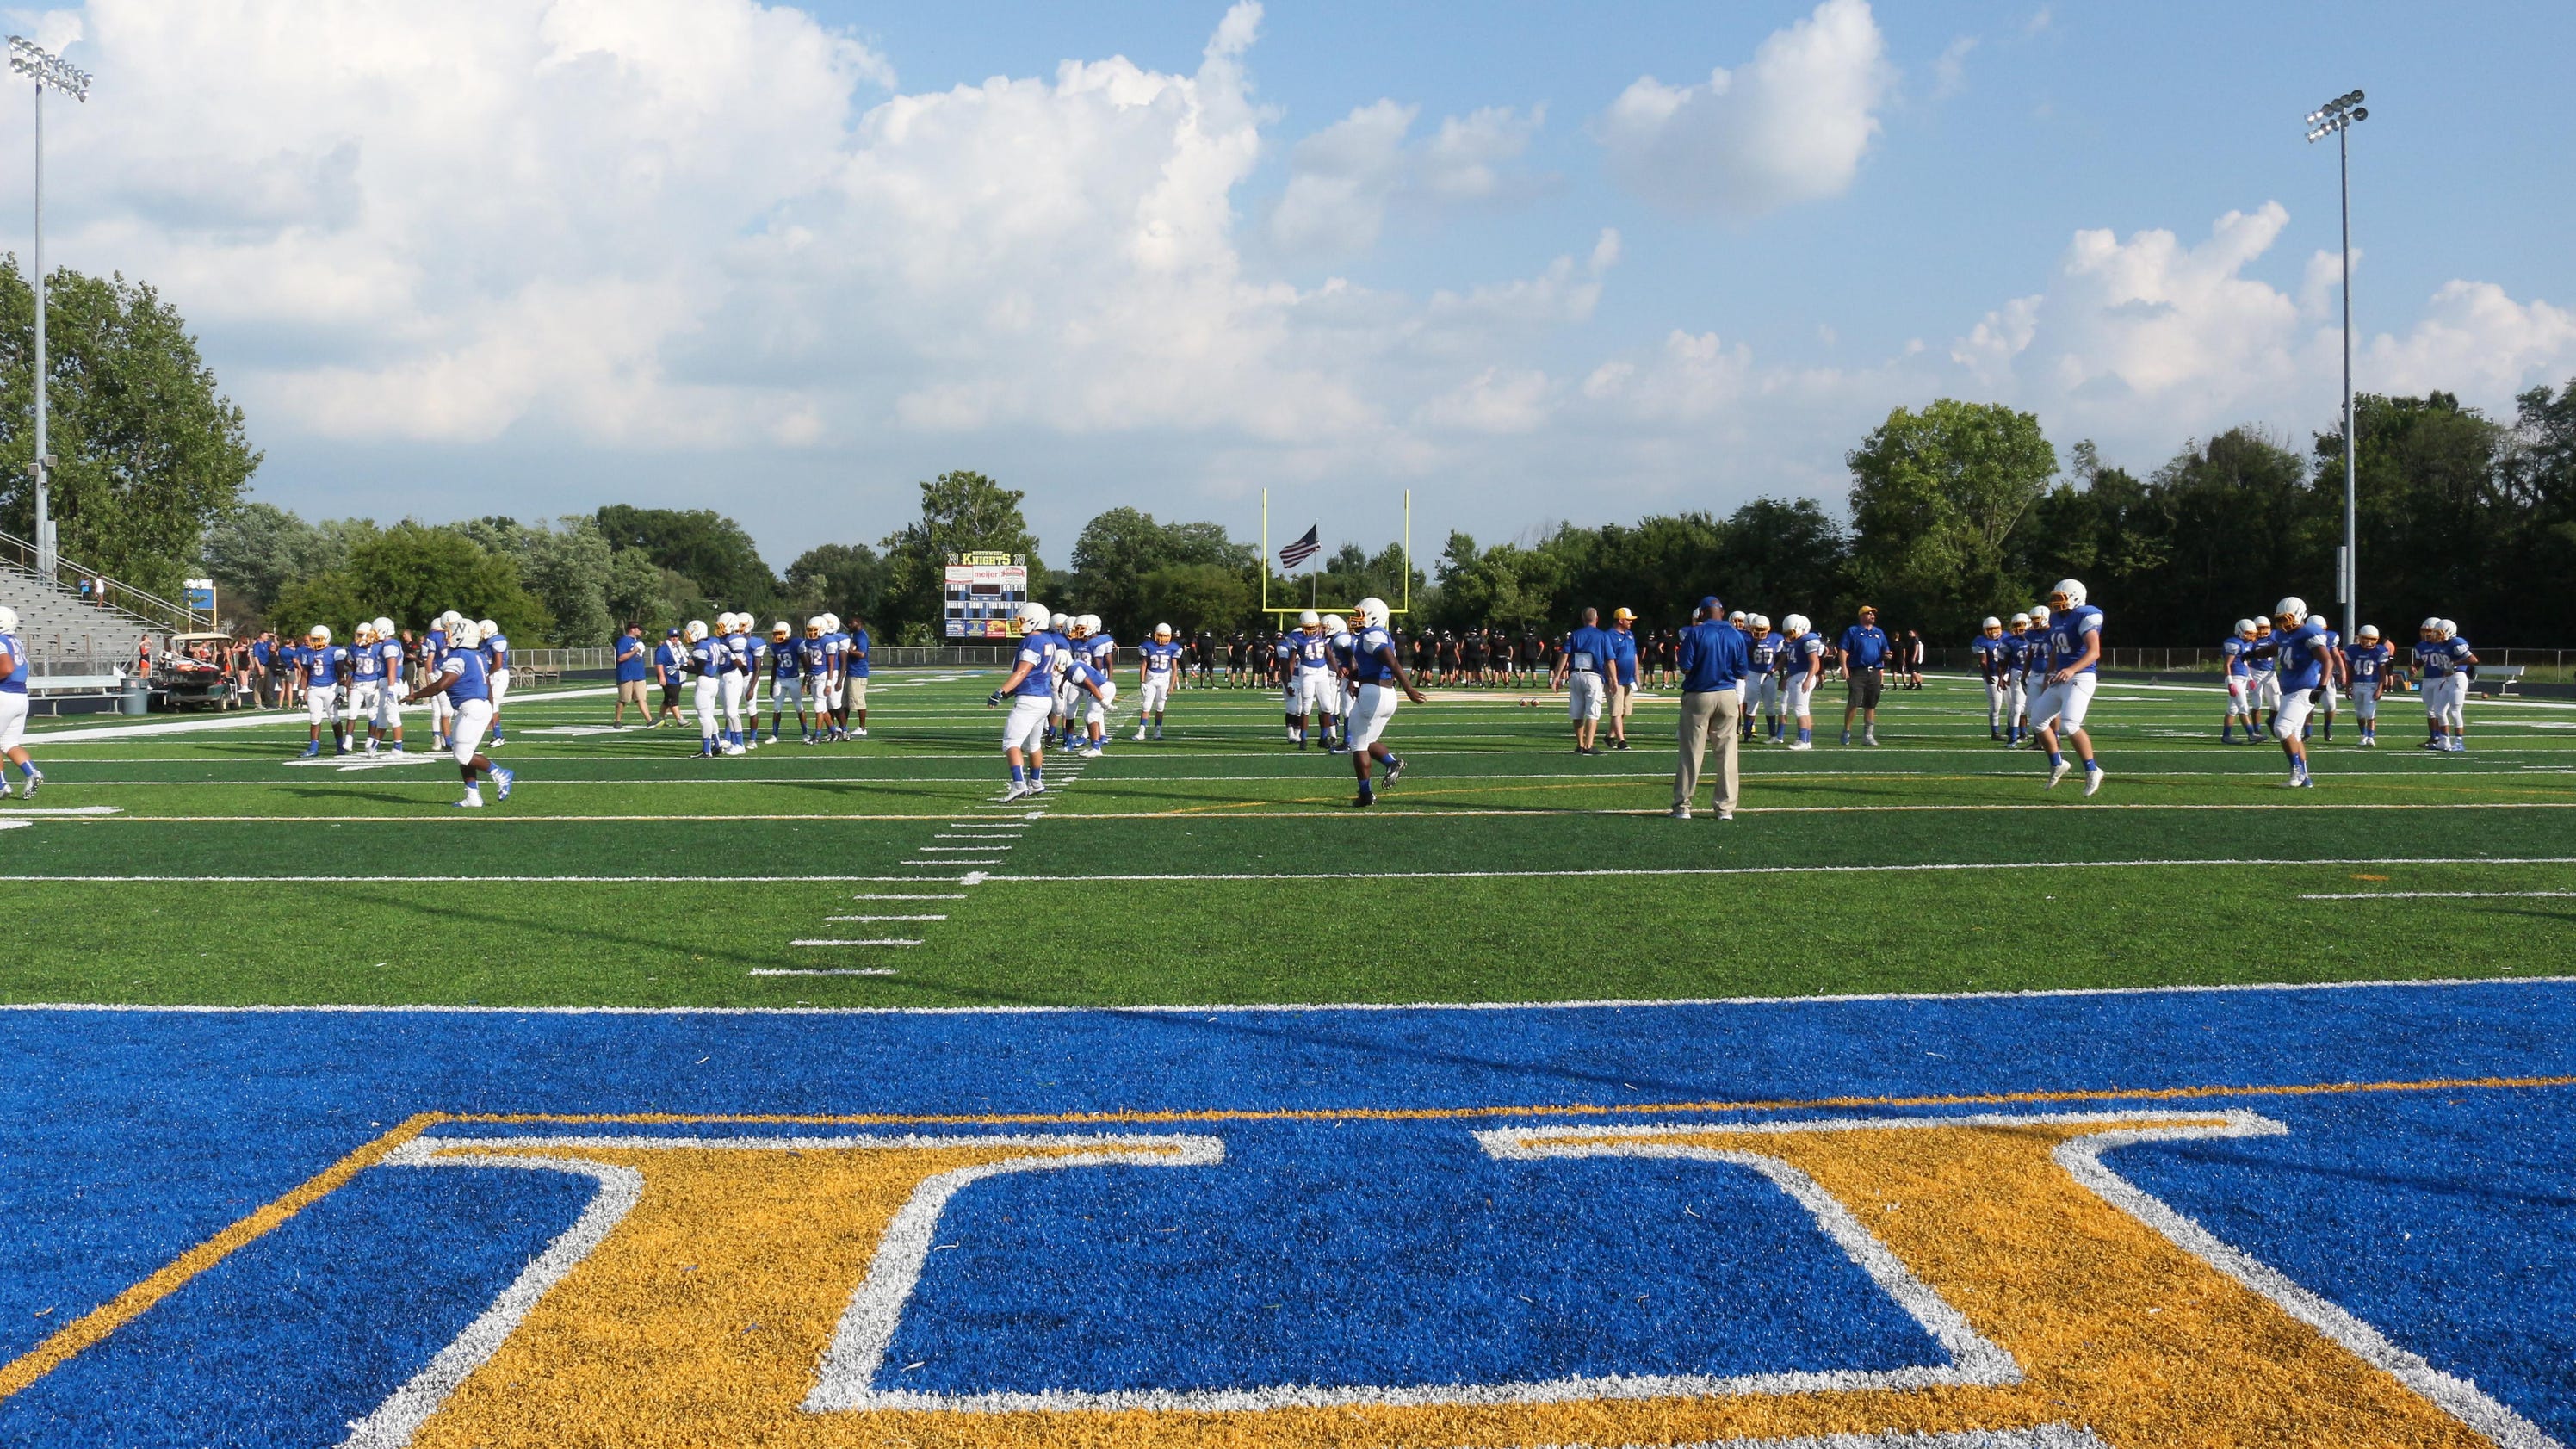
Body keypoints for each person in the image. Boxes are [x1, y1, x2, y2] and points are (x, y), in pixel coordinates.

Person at [416, 619, 513, 808]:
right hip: (479, 705)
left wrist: (416, 695)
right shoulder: (477, 655)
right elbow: (488, 685)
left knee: (462, 755)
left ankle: (500, 773)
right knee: (464, 753)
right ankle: (473, 797)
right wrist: (491, 708)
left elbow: (443, 684)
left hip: (472, 707)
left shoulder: (459, 656)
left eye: (451, 633)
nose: (447, 637)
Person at [1341, 598, 1426, 808]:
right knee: (1367, 741)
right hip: (1386, 693)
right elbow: (1378, 666)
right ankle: (1392, 763)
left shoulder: (1372, 635)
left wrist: (1410, 689)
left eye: (1360, 614)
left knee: (1358, 745)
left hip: (1374, 693)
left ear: (1372, 616)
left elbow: (1391, 661)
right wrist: (1353, 675)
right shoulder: (1376, 635)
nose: (1355, 619)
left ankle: (1365, 794)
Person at [1672, 597, 1750, 820]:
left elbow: (1685, 667)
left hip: (1700, 694)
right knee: (1727, 754)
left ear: (1703, 613)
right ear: (1722, 612)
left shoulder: (1695, 633)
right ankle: (1725, 809)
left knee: (1691, 753)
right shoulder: (1736, 635)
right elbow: (1743, 672)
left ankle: (1682, 806)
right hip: (1727, 695)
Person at [2029, 579, 2105, 796]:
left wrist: (2071, 669)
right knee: (2037, 719)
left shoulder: (2086, 614)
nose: (2055, 603)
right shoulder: (2055, 618)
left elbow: (2094, 651)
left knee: (2070, 724)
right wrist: (2049, 675)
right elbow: (2054, 650)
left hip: (2081, 676)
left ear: (2074, 597)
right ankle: (2057, 763)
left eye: (2059, 598)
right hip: (2061, 677)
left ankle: (2092, 770)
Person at [986, 601, 1064, 801]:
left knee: (1011, 743)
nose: (1018, 624)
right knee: (1033, 745)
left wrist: (1001, 691)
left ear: (1033, 620)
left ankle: (1019, 785)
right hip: (1043, 698)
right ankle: (1036, 783)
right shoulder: (1048, 639)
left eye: (1021, 620)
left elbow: (1023, 670)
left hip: (1030, 699)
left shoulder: (1033, 641)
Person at [2261, 597, 2332, 788]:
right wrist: (2253, 654)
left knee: (2281, 728)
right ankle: (2305, 777)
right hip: (2290, 689)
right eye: (2280, 618)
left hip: (2304, 689)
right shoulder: (2285, 635)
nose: (2283, 622)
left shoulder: (2308, 633)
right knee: (2294, 733)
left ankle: (2297, 773)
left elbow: (2327, 660)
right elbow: (2277, 648)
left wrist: (2322, 686)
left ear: (2299, 615)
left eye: (2286, 618)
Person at [1552, 607, 1613, 755]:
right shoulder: (1602, 636)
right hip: (1593, 676)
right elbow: (1610, 660)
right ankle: (1588, 745)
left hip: (1575, 675)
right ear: (1596, 619)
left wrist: (1556, 677)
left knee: (1577, 711)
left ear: (1583, 619)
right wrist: (1614, 679)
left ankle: (1579, 744)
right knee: (1593, 711)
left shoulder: (1575, 635)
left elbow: (1564, 655)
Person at [0, 606, 40, 799]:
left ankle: (1, 785)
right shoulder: (15, 640)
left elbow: (7, 668)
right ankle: (32, 773)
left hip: (4, 695)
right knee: (9, 743)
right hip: (21, 697)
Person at [1838, 606, 1889, 746]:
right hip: (1857, 671)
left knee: (1871, 703)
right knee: (1854, 702)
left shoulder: (1879, 632)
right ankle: (1847, 731)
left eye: (1873, 613)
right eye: (1869, 613)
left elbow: (1885, 649)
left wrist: (1887, 655)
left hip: (1874, 671)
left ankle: (1868, 735)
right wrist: (1844, 667)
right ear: (1861, 616)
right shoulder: (1853, 631)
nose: (1872, 615)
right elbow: (1843, 649)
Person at [299, 625, 349, 758]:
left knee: (334, 718)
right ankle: (313, 748)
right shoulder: (308, 653)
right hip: (314, 688)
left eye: (318, 639)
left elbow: (340, 670)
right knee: (314, 719)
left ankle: (340, 746)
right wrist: (301, 691)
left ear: (326, 638)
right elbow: (305, 674)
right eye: (313, 639)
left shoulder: (335, 651)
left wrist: (341, 686)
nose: (315, 642)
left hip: (330, 688)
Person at [1779, 612, 1823, 750]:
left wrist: (1808, 680)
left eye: (1791, 632)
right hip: (1798, 675)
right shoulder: (1797, 641)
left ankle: (1803, 740)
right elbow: (1793, 663)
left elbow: (1815, 663)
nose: (1789, 636)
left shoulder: (1808, 640)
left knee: (1799, 710)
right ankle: (1805, 740)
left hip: (1803, 676)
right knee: (1804, 710)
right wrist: (1786, 678)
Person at [2430, 618, 2476, 752]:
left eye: (2440, 632)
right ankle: (2444, 741)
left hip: (2458, 678)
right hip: (2448, 679)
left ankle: (2459, 742)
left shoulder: (2457, 642)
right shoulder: (2441, 645)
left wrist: (2455, 664)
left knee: (2454, 711)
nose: (2437, 635)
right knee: (2439, 711)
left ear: (2449, 632)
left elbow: (2473, 659)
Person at [2344, 623, 2392, 747]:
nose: (2369, 642)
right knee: (2359, 713)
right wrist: (2348, 687)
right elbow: (2350, 670)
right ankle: (2363, 735)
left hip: (2372, 684)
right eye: (2366, 638)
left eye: (2373, 639)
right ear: (2360, 637)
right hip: (2356, 684)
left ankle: (2371, 736)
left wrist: (2380, 688)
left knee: (2370, 713)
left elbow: (2382, 671)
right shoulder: (2352, 650)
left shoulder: (2380, 651)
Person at [682, 619, 724, 758]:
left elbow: (698, 669)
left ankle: (706, 750)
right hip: (713, 681)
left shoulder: (700, 647)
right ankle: (717, 744)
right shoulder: (713, 641)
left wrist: (680, 667)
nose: (688, 636)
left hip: (704, 681)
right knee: (709, 716)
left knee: (704, 718)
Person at [1135, 622, 1181, 740]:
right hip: (1151, 678)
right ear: (1155, 635)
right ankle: (1141, 731)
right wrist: (1142, 682)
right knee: (1146, 705)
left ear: (1170, 636)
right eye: (1160, 635)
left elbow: (1175, 669)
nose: (1162, 639)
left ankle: (1157, 731)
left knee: (1160, 706)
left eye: (1165, 636)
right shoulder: (1148, 646)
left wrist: (1172, 685)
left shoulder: (1173, 647)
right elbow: (1144, 664)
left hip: (1164, 679)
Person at [764, 620, 807, 745]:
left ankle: (805, 733)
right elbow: (774, 665)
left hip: (793, 679)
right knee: (777, 708)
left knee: (799, 707)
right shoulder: (774, 646)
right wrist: (772, 684)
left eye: (779, 633)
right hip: (780, 679)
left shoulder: (796, 643)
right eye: (775, 633)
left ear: (787, 633)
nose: (777, 636)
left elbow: (805, 663)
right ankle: (774, 735)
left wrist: (805, 681)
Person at [368, 616, 407, 754]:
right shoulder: (388, 644)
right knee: (382, 717)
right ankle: (375, 744)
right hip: (387, 682)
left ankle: (398, 747)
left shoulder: (390, 645)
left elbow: (392, 668)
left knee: (393, 715)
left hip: (390, 682)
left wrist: (390, 688)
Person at [344, 622, 384, 752]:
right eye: (358, 635)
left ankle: (371, 739)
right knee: (351, 712)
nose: (360, 638)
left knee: (372, 714)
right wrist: (348, 681)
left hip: (372, 684)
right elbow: (353, 666)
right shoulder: (354, 648)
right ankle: (348, 740)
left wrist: (379, 686)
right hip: (357, 683)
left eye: (362, 635)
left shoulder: (378, 648)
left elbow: (382, 667)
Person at [1605, 608, 1641, 750]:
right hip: (1616, 679)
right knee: (1616, 711)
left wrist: (1637, 675)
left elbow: (1634, 655)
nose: (1630, 622)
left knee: (1624, 710)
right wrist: (1612, 679)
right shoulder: (1609, 636)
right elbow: (1609, 659)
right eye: (1628, 620)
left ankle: (1609, 736)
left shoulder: (1629, 634)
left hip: (1628, 679)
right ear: (1620, 620)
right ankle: (1621, 740)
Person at [2016, 604, 2051, 746]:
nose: (2033, 622)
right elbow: (2029, 655)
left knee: (2050, 710)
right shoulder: (2031, 634)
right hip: (2035, 674)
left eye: (2036, 619)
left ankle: (2055, 740)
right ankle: (2038, 741)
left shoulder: (2053, 632)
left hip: (2050, 675)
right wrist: (2024, 676)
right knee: (2031, 709)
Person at [1746, 615, 1784, 743]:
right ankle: (1748, 735)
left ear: (1769, 629)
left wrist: (1781, 676)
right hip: (1752, 674)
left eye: (1762, 629)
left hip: (1769, 676)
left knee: (1770, 706)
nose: (1759, 632)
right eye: (1756, 629)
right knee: (1751, 705)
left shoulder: (1777, 639)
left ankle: (1772, 735)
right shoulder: (1747, 639)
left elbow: (1781, 658)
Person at [2220, 619, 2259, 743]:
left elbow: (2245, 662)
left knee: (2232, 709)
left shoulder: (2247, 643)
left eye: (2252, 633)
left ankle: (2226, 736)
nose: (2251, 636)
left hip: (2242, 678)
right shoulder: (2234, 643)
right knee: (2244, 707)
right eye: (2248, 633)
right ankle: (2251, 734)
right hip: (2235, 678)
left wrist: (2250, 677)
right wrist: (2230, 681)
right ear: (2239, 631)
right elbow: (2227, 664)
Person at [479, 619, 511, 746]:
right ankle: (496, 735)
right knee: (487, 704)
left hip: (499, 674)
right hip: (492, 674)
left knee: (494, 704)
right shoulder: (484, 643)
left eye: (483, 630)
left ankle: (498, 736)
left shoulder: (497, 640)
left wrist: (486, 673)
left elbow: (498, 664)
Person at [2247, 617, 2281, 736]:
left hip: (2270, 673)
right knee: (2257, 703)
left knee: (2276, 704)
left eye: (2265, 627)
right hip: (2255, 672)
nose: (2263, 630)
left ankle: (2272, 721)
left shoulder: (2275, 636)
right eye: (2260, 628)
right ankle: (2257, 729)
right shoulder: (2251, 640)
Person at [613, 624, 651, 725]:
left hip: (639, 675)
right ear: (633, 629)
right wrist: (634, 651)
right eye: (639, 629)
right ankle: (617, 720)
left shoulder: (637, 642)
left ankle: (649, 720)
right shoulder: (623, 641)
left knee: (641, 698)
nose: (641, 631)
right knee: (624, 699)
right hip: (626, 674)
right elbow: (621, 658)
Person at [843, 613, 873, 738]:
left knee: (859, 701)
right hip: (851, 672)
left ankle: (862, 727)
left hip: (858, 673)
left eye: (851, 623)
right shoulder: (855, 635)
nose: (849, 625)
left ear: (858, 623)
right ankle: (842, 726)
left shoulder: (861, 636)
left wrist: (848, 650)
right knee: (845, 702)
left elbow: (861, 654)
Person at [653, 628, 686, 728]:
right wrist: (662, 676)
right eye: (672, 636)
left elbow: (685, 658)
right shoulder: (663, 648)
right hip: (669, 677)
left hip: (678, 677)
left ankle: (660, 718)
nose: (674, 638)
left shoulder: (679, 647)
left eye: (676, 636)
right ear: (668, 637)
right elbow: (659, 663)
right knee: (673, 698)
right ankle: (680, 719)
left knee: (668, 699)